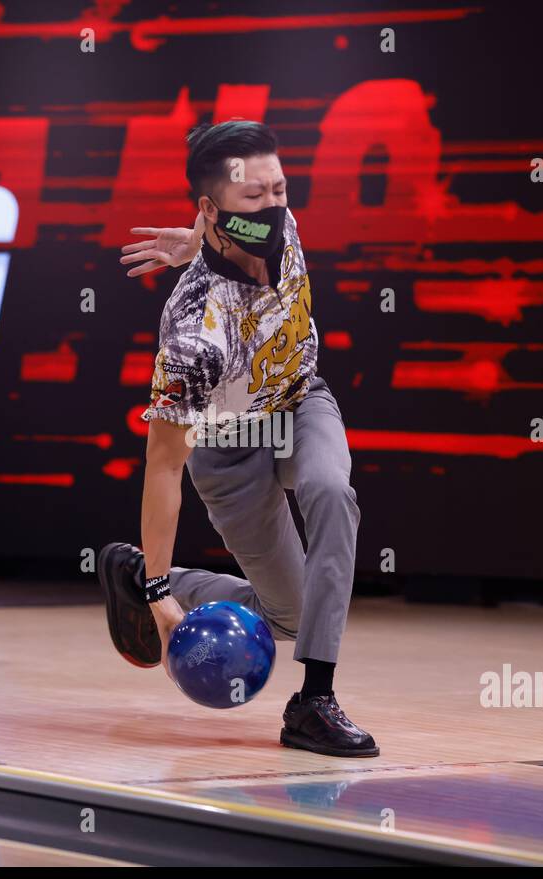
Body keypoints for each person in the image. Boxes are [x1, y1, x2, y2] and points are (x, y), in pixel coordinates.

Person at [99, 120, 378, 757]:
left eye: (279, 189)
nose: (274, 205)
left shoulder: (282, 221)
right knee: (289, 615)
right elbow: (164, 467)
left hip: (302, 402)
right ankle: (141, 576)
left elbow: (243, 224)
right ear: (213, 205)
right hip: (227, 452)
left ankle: (314, 701)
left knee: (332, 490)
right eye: (253, 198)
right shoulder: (193, 337)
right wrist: (161, 597)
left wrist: (196, 239)